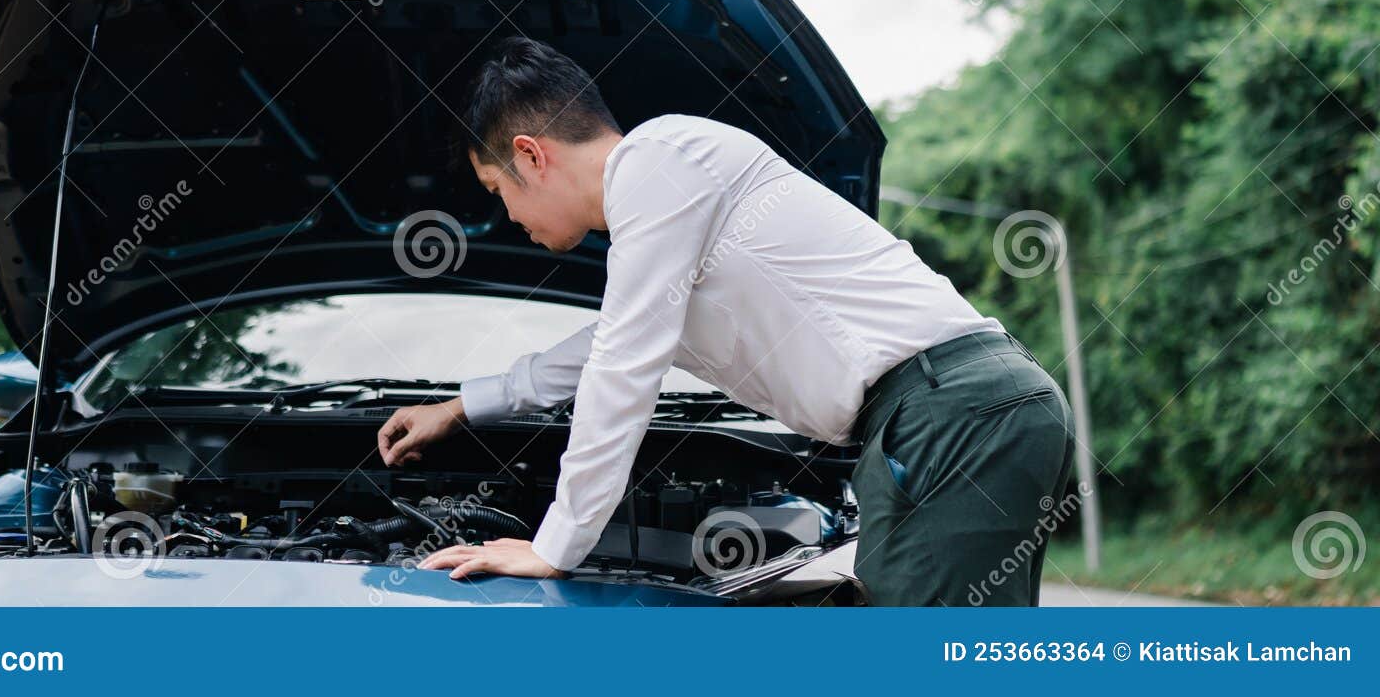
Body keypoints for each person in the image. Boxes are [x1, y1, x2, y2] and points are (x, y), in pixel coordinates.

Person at [377, 37, 1077, 605]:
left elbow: (623, 366)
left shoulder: (656, 164)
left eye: (499, 192)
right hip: (962, 408)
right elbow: (603, 347)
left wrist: (554, 544)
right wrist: (465, 404)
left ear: (532, 154)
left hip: (949, 412)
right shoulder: (664, 210)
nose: (509, 220)